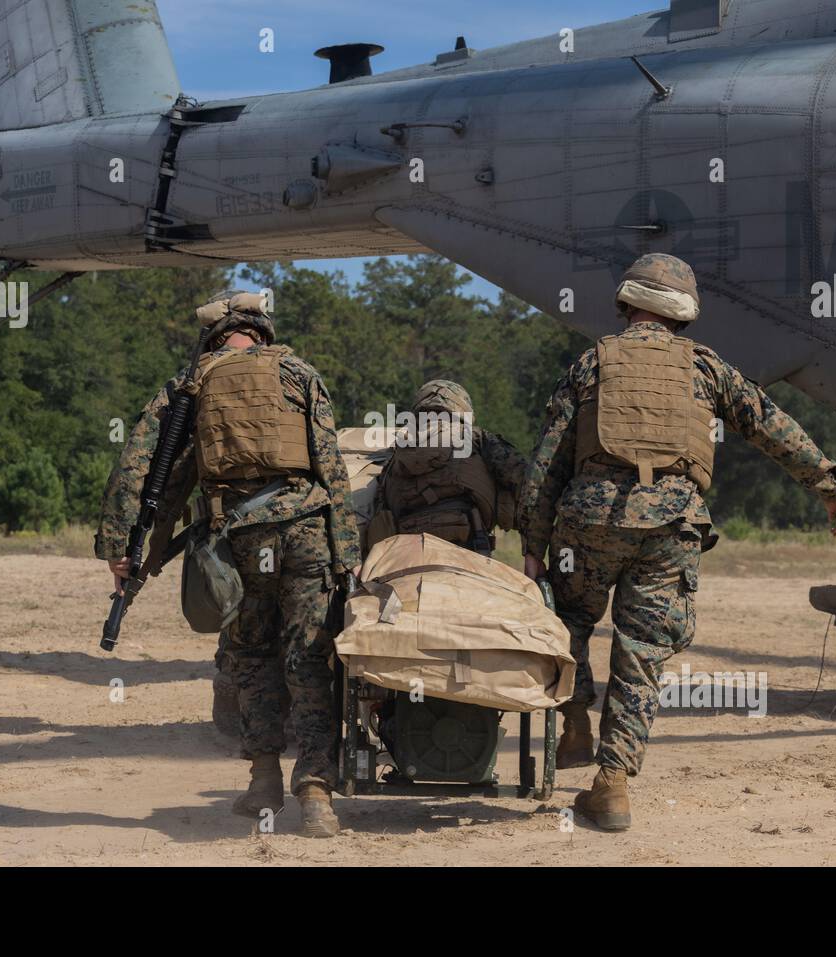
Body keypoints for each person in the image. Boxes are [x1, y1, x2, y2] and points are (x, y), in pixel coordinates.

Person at [517, 254, 836, 831]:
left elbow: (546, 462)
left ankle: (573, 721)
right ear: (684, 313)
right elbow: (770, 425)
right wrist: (829, 486)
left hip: (588, 521)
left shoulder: (590, 363)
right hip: (671, 525)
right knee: (643, 651)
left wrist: (532, 543)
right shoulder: (706, 367)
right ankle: (613, 783)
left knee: (568, 622)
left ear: (627, 304)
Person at [94, 291, 361, 838]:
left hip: (236, 537)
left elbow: (142, 471)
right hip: (306, 531)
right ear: (261, 331)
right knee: (310, 658)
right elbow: (333, 470)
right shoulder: (299, 373)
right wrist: (347, 556)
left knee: (251, 656)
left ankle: (264, 780)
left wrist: (124, 548)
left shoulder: (191, 386)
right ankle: (316, 796)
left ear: (213, 337)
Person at [369, 379, 525, 555]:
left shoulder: (399, 452)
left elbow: (381, 513)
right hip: (471, 542)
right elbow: (521, 479)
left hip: (406, 550)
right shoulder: (477, 438)